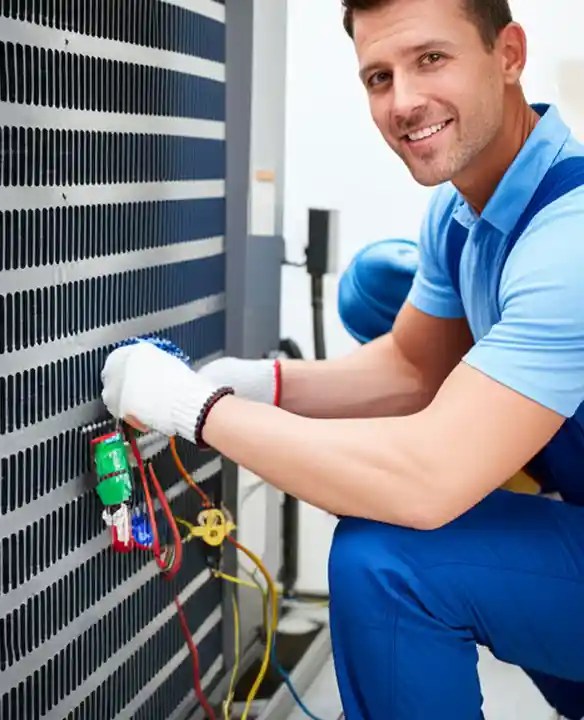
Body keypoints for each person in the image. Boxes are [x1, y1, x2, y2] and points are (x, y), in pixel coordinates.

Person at [100, 0, 584, 718]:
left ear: (509, 54)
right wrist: (263, 383)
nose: (405, 102)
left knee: (388, 562)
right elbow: (413, 369)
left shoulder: (569, 236)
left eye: (431, 59)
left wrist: (196, 411)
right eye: (378, 77)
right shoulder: (461, 213)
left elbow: (426, 481)